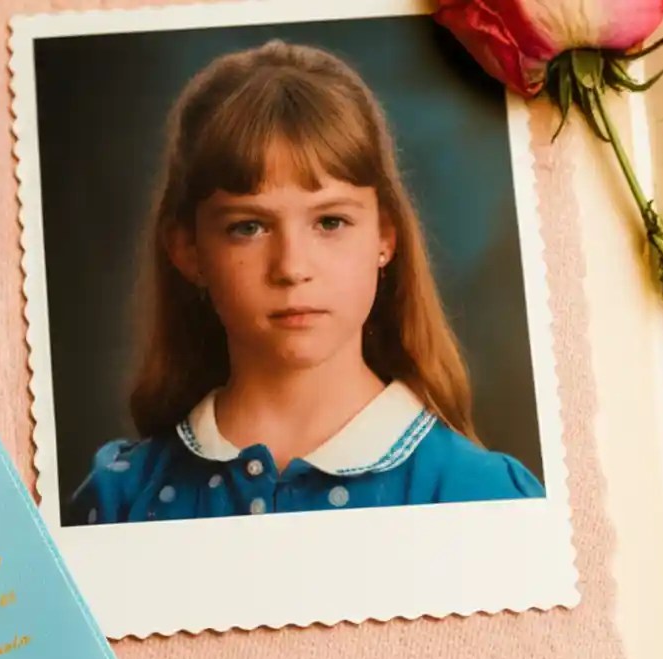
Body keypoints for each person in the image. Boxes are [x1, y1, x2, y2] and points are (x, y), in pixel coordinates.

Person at [65, 39, 544, 527]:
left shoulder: (483, 496)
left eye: (330, 222)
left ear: (385, 236)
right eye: (248, 227)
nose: (292, 268)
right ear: (188, 250)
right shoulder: (120, 498)